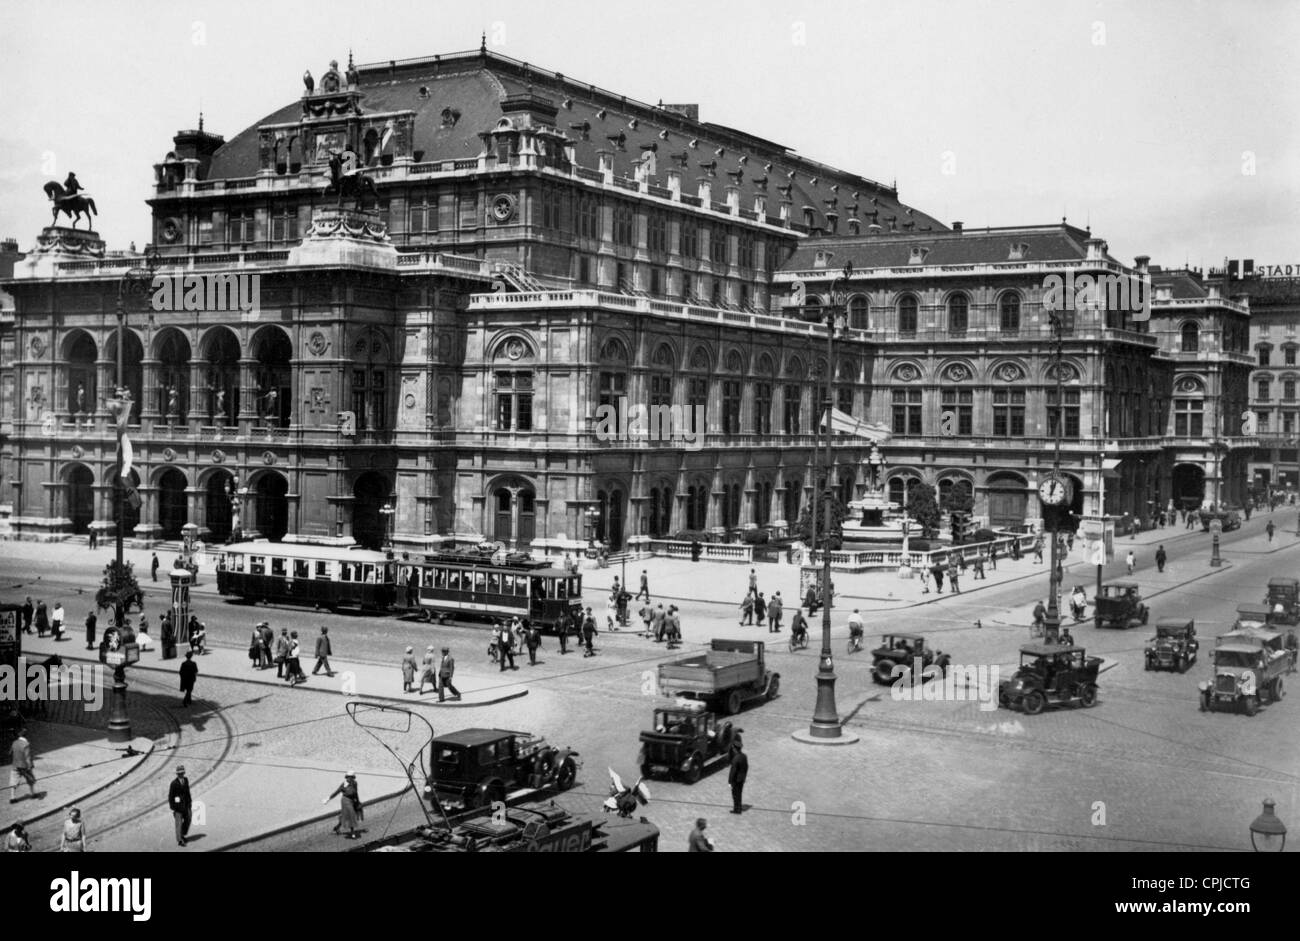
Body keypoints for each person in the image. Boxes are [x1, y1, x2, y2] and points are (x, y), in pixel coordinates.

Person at [324, 772, 362, 840]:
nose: (349, 778)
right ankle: (352, 832)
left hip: (352, 800)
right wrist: (328, 799)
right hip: (345, 801)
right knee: (351, 814)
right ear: (346, 777)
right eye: (348, 777)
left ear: (353, 777)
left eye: (351, 777)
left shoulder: (355, 783)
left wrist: (358, 801)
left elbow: (356, 793)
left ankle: (337, 828)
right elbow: (336, 792)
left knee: (345, 816)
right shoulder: (343, 785)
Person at [8, 728, 38, 804]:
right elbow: (27, 757)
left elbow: (10, 753)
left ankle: (12, 797)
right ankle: (32, 793)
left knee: (13, 781)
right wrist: (30, 766)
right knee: (31, 779)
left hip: (15, 765)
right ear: (25, 736)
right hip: (24, 766)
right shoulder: (26, 744)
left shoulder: (14, 742)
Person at [169, 766, 193, 847]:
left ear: (184, 773)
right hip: (178, 807)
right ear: (177, 774)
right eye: (179, 773)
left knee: (188, 819)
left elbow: (188, 792)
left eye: (182, 773)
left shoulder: (186, 780)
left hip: (186, 805)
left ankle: (182, 834)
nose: (181, 775)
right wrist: (173, 807)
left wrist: (190, 802)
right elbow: (170, 796)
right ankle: (180, 840)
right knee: (178, 824)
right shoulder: (174, 783)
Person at [728, 739, 748, 815]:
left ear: (735, 748)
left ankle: (737, 810)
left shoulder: (735, 759)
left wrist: (730, 782)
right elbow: (746, 767)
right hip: (741, 779)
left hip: (736, 780)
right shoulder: (744, 756)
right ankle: (738, 808)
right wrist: (744, 777)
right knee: (739, 794)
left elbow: (733, 771)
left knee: (735, 795)